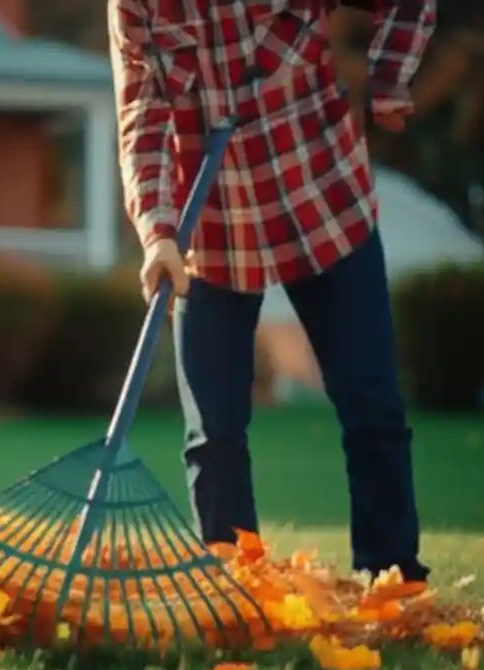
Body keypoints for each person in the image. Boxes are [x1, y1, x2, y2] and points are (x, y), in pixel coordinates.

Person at [107, 0, 436, 582]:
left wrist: (389, 75)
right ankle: (238, 590)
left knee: (373, 410)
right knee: (213, 437)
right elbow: (143, 111)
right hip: (213, 227)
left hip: (323, 194)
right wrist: (157, 233)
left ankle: (392, 585)